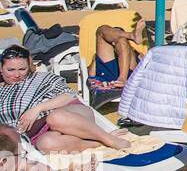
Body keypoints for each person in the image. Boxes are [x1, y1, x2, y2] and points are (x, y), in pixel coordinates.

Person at [0, 46, 132, 153]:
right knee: (46, 144)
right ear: (1, 68)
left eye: (22, 69)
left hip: (69, 114)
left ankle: (108, 139)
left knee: (55, 117)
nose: (17, 75)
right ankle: (96, 143)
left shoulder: (39, 78)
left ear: (29, 67)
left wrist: (37, 109)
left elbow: (68, 94)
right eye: (10, 70)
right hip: (37, 133)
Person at [92, 17, 149, 87]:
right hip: (107, 75)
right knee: (102, 29)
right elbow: (90, 76)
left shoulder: (133, 51)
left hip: (130, 76)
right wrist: (94, 61)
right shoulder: (104, 52)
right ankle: (131, 35)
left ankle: (122, 78)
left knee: (121, 40)